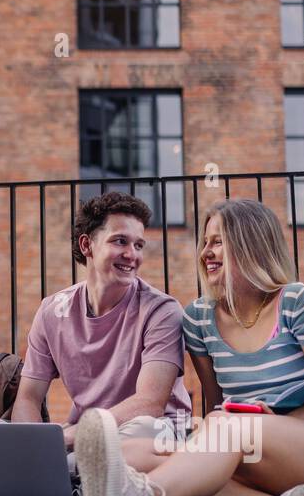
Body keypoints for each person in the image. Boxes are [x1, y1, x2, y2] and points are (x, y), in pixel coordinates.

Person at [75, 198, 304, 496]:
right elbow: (215, 405)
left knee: (225, 426)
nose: (206, 252)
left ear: (252, 245)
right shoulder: (199, 319)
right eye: (205, 242)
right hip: (253, 453)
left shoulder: (297, 301)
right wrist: (226, 430)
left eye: (219, 241)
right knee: (131, 452)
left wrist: (276, 422)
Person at [12, 192, 189, 476]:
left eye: (139, 245)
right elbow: (28, 398)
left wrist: (66, 438)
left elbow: (150, 404)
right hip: (85, 436)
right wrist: (34, 444)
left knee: (144, 429)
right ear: (87, 245)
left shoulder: (162, 311)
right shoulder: (52, 311)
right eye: (120, 241)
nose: (132, 255)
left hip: (153, 432)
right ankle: (62, 473)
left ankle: (60, 474)